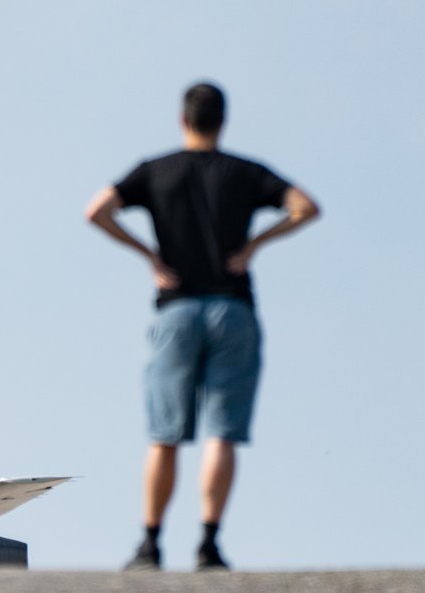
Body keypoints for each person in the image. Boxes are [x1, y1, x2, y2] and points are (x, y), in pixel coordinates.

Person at [84, 82, 321, 571]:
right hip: (232, 309)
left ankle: (150, 544)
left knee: (164, 434)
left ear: (182, 120)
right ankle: (209, 544)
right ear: (223, 122)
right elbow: (305, 207)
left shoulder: (156, 170)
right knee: (222, 433)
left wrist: (149, 255)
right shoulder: (246, 171)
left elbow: (97, 211)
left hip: (176, 310)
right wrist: (254, 245)